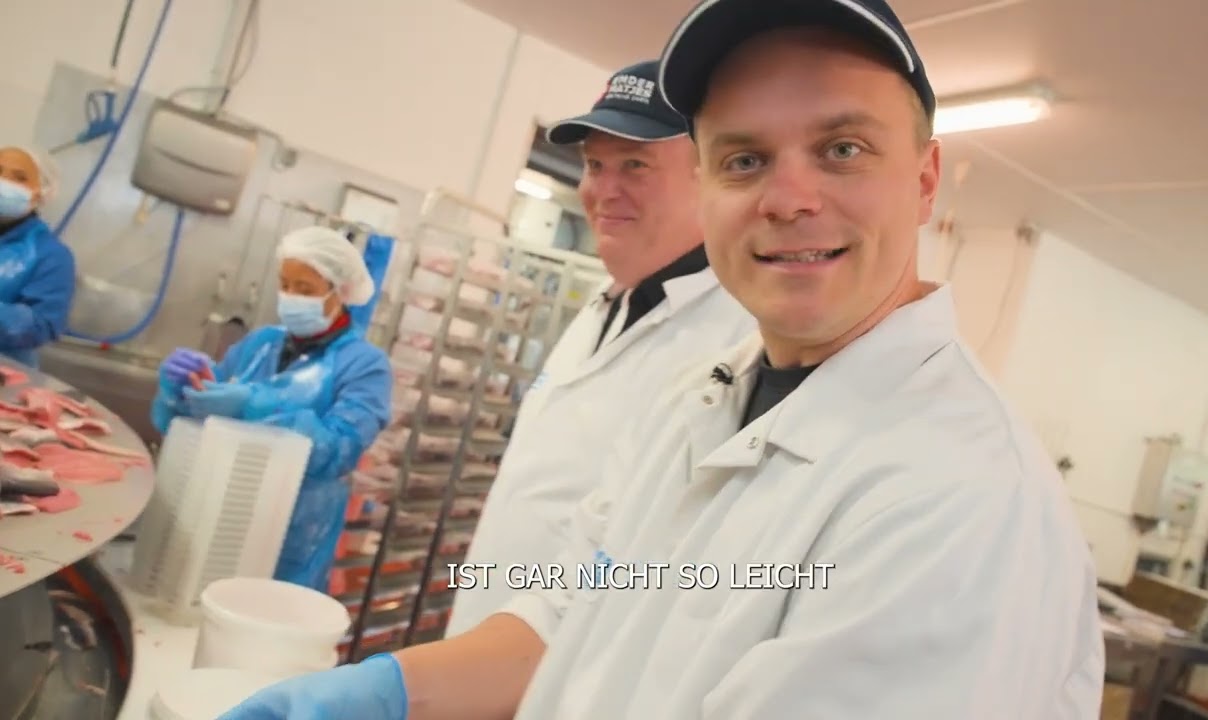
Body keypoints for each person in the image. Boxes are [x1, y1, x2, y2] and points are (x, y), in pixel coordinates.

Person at [221, 0, 1104, 717]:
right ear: (711, 187)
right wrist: (391, 692)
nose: (789, 199)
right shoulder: (704, 401)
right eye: (745, 158)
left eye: (842, 149)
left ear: (922, 181)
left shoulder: (961, 507)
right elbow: (572, 607)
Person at [444, 58, 756, 635]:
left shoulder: (737, 342)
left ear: (706, 173)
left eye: (635, 165)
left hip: (568, 665)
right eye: (594, 164)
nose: (603, 190)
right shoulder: (602, 305)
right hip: (485, 640)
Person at [152, 225, 391, 591]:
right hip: (220, 513)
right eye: (285, 284)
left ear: (340, 292)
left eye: (306, 289)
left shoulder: (364, 365)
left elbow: (338, 451)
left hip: (291, 534)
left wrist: (255, 404)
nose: (291, 297)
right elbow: (190, 428)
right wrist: (178, 392)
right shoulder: (261, 343)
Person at [0, 146, 75, 367]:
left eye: (20, 178)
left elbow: (43, 325)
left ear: (40, 192)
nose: (4, 183)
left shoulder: (50, 255)